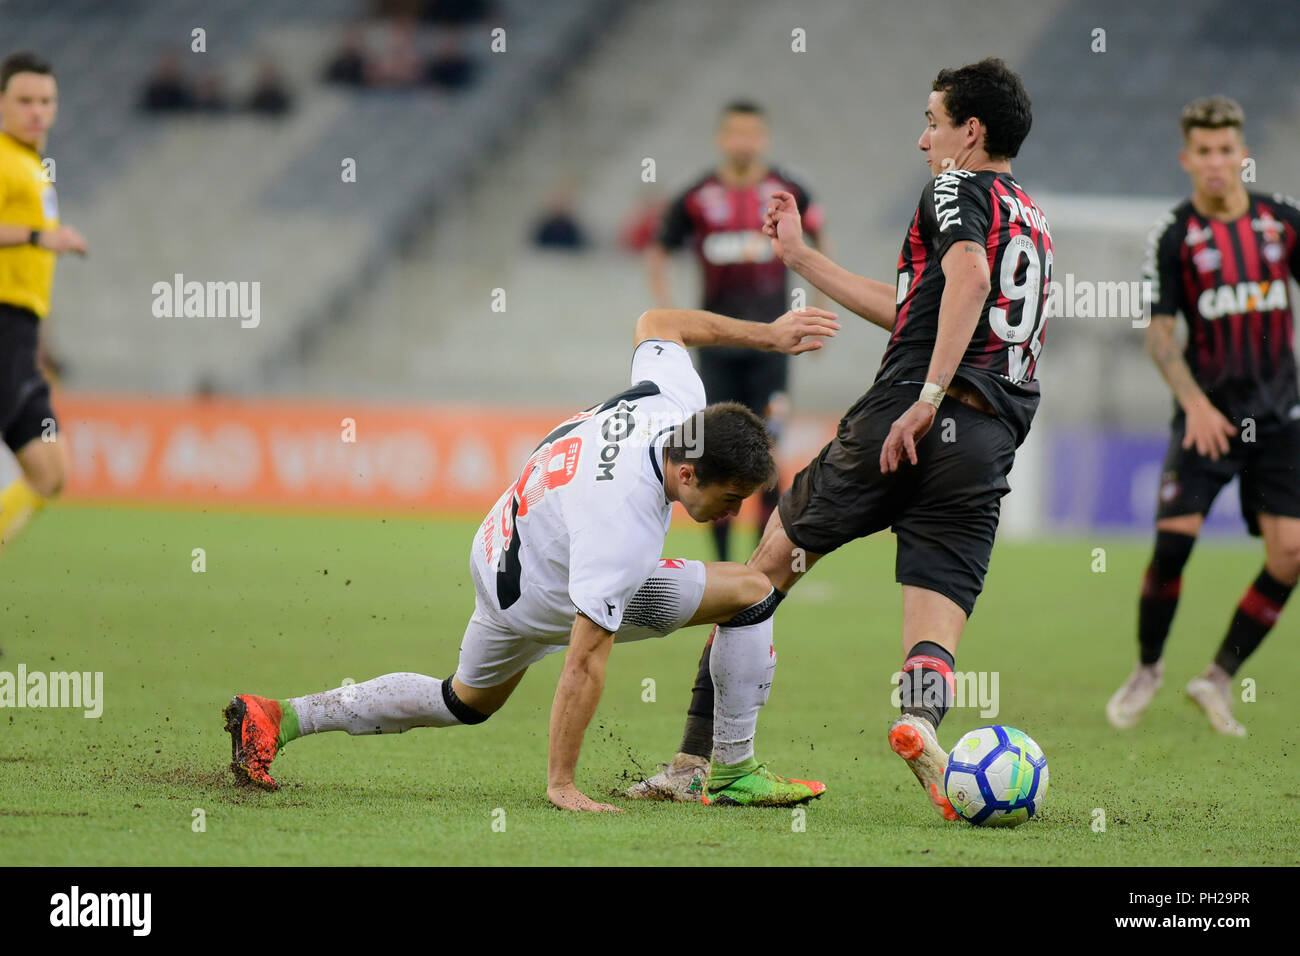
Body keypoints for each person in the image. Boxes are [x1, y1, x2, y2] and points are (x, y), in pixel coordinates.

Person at [629, 58, 1050, 820]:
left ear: (971, 130)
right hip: (984, 443)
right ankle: (921, 724)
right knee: (934, 628)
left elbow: (968, 283)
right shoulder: (1032, 217)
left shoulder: (955, 187)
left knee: (758, 581)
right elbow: (920, 311)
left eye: (933, 121)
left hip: (904, 416)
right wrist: (799, 260)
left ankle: (697, 760)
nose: (924, 140)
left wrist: (923, 399)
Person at [225, 305, 840, 811]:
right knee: (753, 588)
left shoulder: (674, 401)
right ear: (687, 473)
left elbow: (659, 322)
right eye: (729, 497)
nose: (733, 512)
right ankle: (733, 771)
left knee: (463, 701)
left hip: (500, 559)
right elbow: (584, 662)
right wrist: (563, 784)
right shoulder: (620, 524)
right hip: (551, 589)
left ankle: (281, 716)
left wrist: (769, 337)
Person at [1106, 96, 1300, 737]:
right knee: (1173, 545)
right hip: (1207, 418)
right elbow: (1160, 334)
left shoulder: (1281, 223)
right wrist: (1194, 403)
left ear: (1242, 156)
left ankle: (1216, 679)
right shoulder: (1174, 234)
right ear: (1187, 159)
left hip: (1281, 418)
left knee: (1291, 553)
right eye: (1204, 152)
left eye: (1226, 151)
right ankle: (1147, 668)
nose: (1216, 163)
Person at [646, 101, 826, 563]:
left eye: (752, 133)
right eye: (735, 133)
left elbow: (819, 242)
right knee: (713, 453)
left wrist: (821, 306)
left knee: (769, 449)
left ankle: (760, 562)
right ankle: (722, 565)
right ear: (721, 139)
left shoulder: (788, 190)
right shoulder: (697, 195)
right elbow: (659, 249)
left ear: (762, 138)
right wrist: (671, 311)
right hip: (717, 348)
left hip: (773, 346)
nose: (743, 142)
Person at [0, 52, 88, 551]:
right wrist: (37, 235)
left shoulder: (34, 168)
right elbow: (32, 247)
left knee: (50, 470)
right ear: (2, 103)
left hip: (21, 337)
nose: (36, 110)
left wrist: (42, 343)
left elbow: (32, 272)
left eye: (46, 100)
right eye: (25, 99)